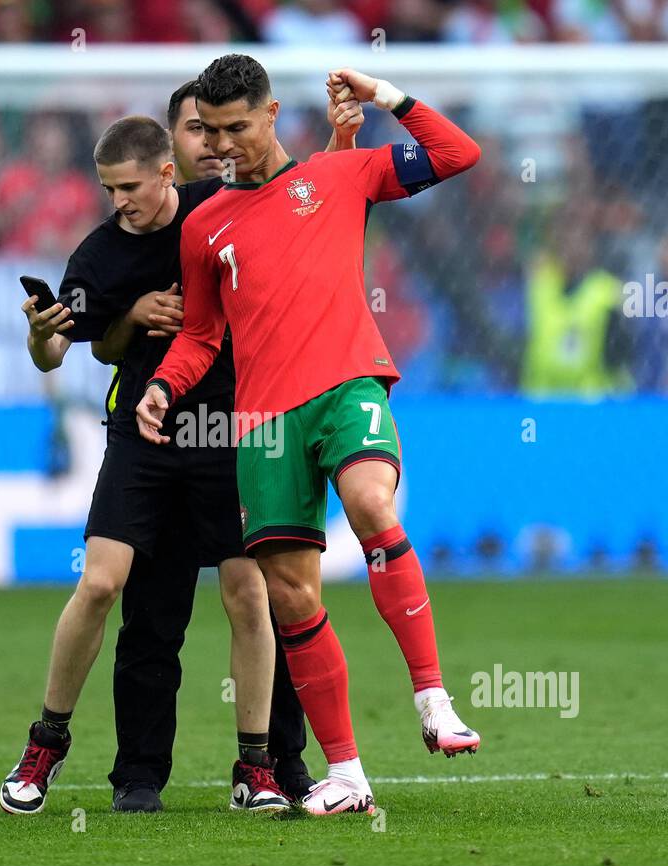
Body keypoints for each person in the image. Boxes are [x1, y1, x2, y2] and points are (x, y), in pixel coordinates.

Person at [0, 80, 365, 815]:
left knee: (252, 594)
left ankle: (259, 766)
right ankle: (57, 747)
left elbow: (310, 199)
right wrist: (67, 329)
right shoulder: (99, 255)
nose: (118, 201)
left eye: (128, 187)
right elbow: (61, 349)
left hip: (234, 428)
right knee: (110, 590)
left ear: (166, 171)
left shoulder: (220, 208)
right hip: (146, 430)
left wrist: (343, 139)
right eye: (108, 189)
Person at [137, 55, 482, 815]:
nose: (221, 144)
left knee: (372, 504)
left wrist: (385, 94)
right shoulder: (202, 226)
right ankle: (347, 775)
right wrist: (163, 385)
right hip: (263, 423)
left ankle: (433, 699)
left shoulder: (341, 174)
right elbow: (200, 335)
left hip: (346, 384)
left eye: (235, 127)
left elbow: (457, 152)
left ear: (269, 114)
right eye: (209, 131)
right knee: (292, 597)